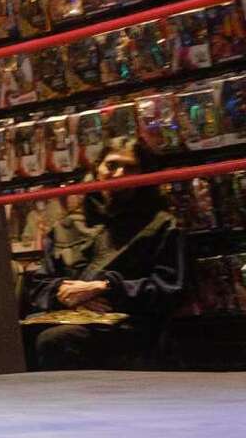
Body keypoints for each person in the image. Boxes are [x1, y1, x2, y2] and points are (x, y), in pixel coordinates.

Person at [21, 138, 185, 371]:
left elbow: (170, 289)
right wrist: (64, 293)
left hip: (127, 325)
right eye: (112, 165)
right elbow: (38, 284)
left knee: (56, 340)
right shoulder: (67, 226)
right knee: (11, 337)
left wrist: (106, 287)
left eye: (130, 168)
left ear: (144, 174)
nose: (119, 174)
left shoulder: (162, 225)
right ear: (97, 169)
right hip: (68, 316)